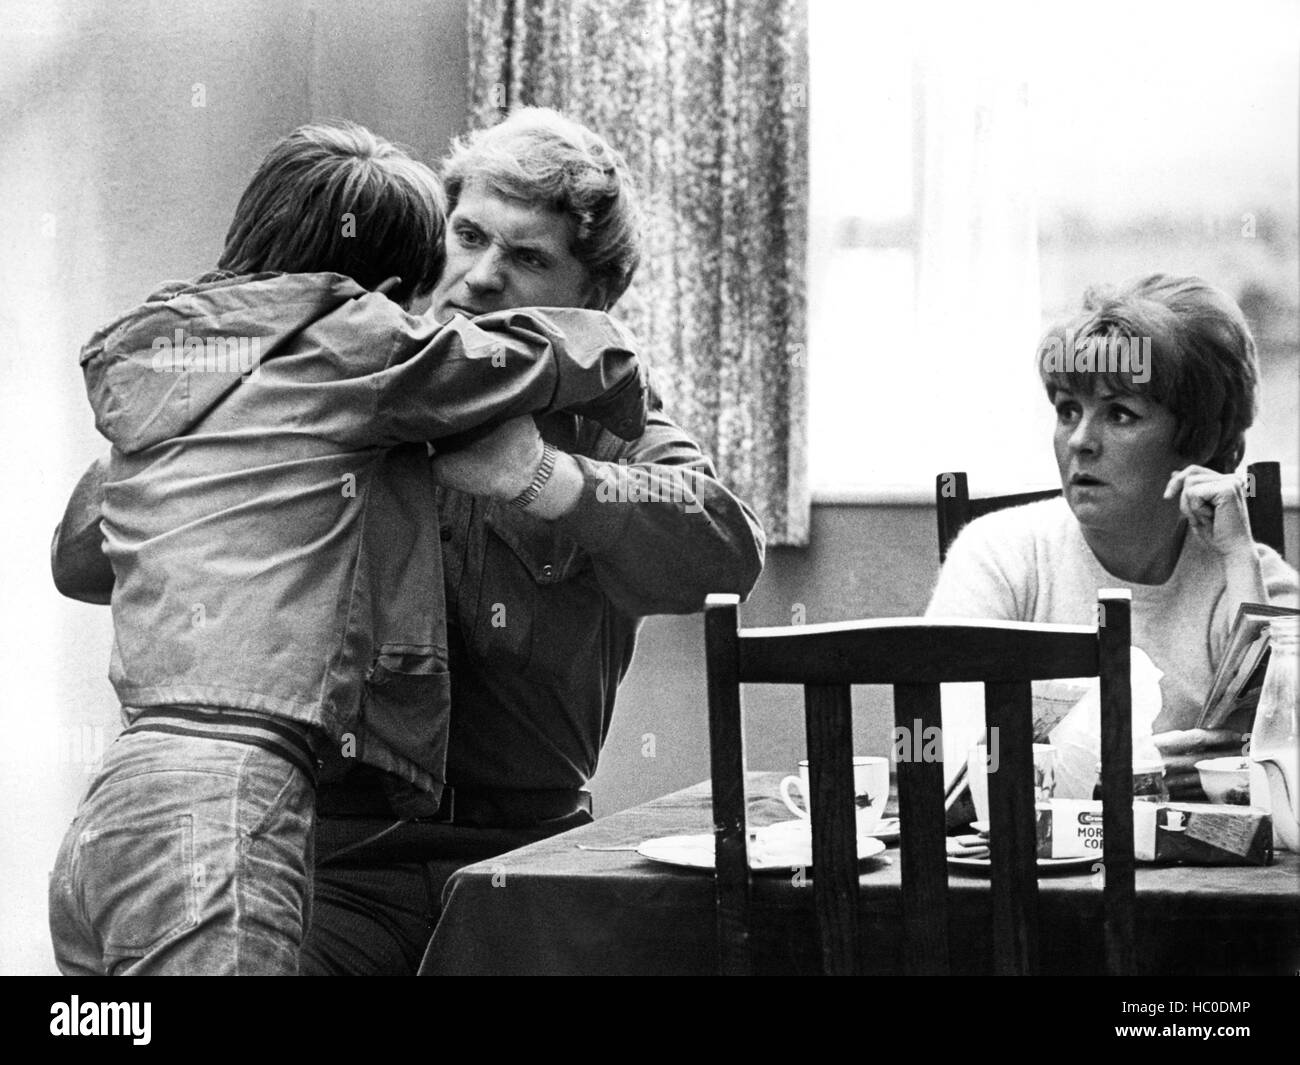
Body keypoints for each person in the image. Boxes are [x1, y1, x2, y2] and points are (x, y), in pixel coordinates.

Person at [46, 120, 652, 975]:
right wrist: (612, 356)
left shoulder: (187, 358)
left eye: (526, 257)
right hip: (237, 812)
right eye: (467, 239)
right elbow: (517, 357)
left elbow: (75, 557)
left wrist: (553, 474)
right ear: (393, 290)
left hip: (118, 805)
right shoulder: (363, 356)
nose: (479, 277)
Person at [927, 273, 1298, 798]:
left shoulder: (1253, 576)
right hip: (1031, 875)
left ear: (1198, 438)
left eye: (1120, 414)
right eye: (1067, 410)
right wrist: (1169, 765)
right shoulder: (997, 556)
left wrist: (1239, 558)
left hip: (1197, 877)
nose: (1080, 441)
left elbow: (1280, 763)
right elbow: (949, 761)